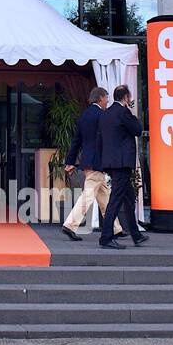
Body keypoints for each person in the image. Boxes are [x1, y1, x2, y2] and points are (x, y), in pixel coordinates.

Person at [61, 87, 123, 242]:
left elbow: (76, 141)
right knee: (88, 195)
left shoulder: (85, 115)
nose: (107, 101)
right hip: (98, 162)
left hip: (88, 160)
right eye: (106, 98)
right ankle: (70, 225)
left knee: (105, 196)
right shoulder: (102, 116)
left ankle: (115, 228)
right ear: (100, 98)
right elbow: (107, 140)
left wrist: (70, 161)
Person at [97, 86, 148, 250]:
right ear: (126, 97)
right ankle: (106, 237)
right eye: (129, 97)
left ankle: (136, 235)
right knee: (116, 200)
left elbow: (101, 139)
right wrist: (130, 111)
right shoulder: (124, 112)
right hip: (122, 163)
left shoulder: (106, 114)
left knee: (128, 199)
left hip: (111, 162)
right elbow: (137, 130)